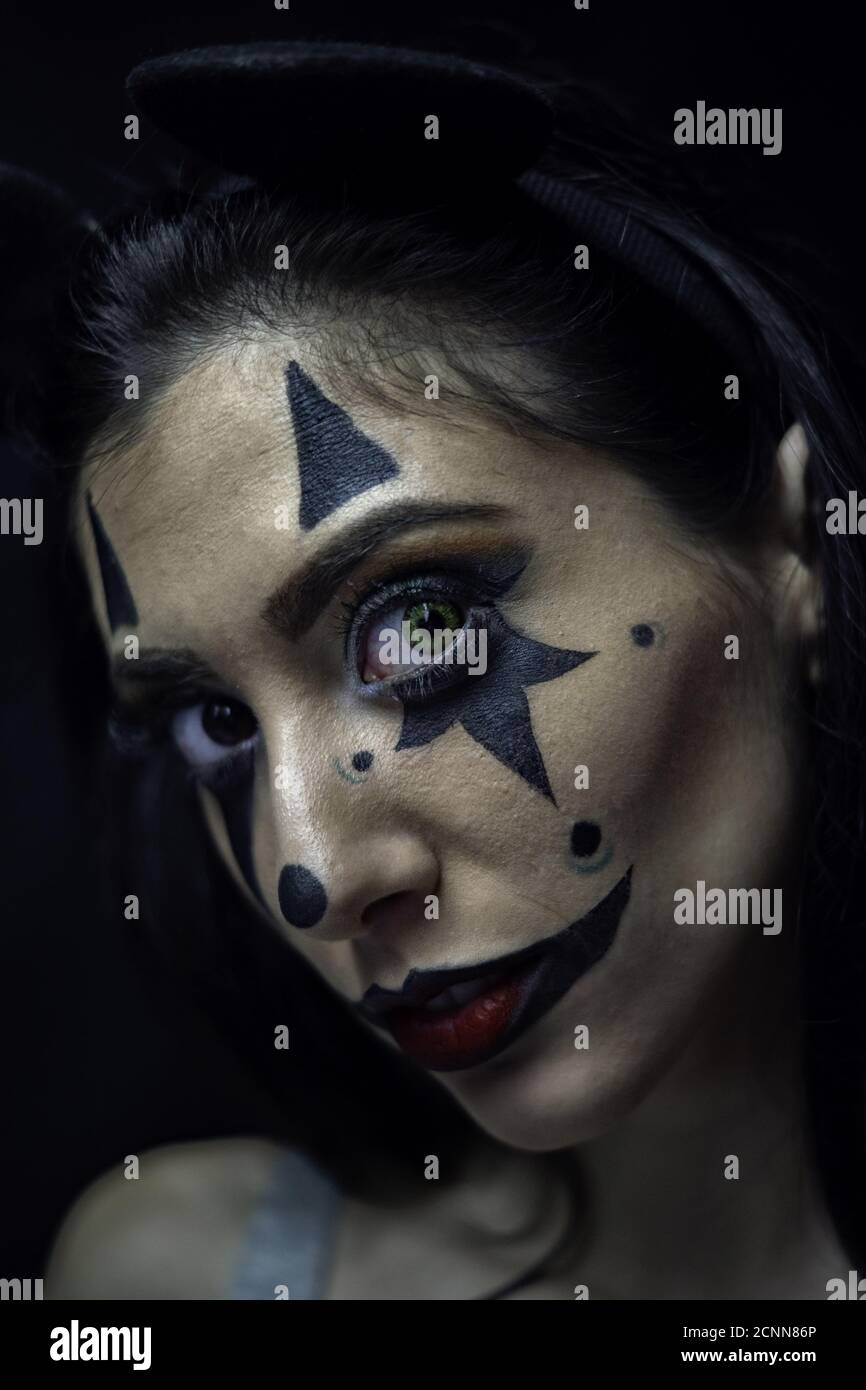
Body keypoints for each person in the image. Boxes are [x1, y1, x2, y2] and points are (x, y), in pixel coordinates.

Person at [16, 40, 865, 1299]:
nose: (312, 875)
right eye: (212, 721)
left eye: (416, 634)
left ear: (790, 543)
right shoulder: (173, 1276)